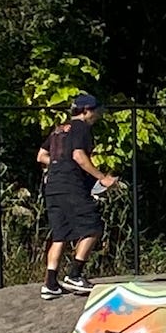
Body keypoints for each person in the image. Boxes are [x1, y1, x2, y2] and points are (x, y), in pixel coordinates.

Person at [37, 92, 116, 300]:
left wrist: (59, 165)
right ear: (87, 111)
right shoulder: (81, 128)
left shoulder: (58, 129)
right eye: (96, 111)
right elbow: (78, 156)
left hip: (52, 186)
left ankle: (50, 284)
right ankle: (75, 274)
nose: (98, 115)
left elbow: (42, 156)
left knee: (60, 233)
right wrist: (102, 178)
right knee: (93, 226)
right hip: (71, 185)